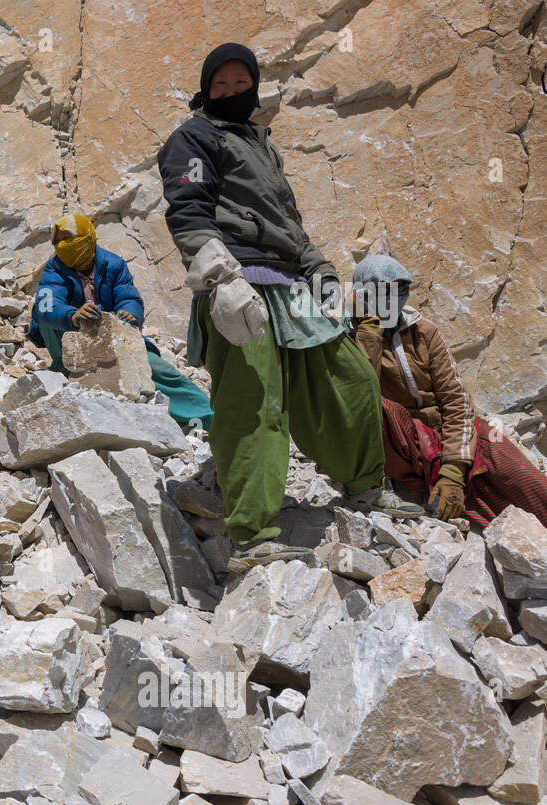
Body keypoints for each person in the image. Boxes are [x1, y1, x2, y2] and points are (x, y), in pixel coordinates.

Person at [156, 41, 424, 573]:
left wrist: (320, 267)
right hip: (239, 282)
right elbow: (186, 209)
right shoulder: (194, 137)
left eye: (240, 83)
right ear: (206, 90)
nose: (231, 91)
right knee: (255, 402)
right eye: (220, 84)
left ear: (253, 88)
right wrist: (218, 278)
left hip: (290, 283)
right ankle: (251, 534)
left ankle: (364, 485)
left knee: (349, 378)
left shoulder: (261, 145)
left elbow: (288, 222)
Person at [349, 254, 547, 528]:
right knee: (378, 407)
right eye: (384, 291)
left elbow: (456, 399)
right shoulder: (347, 338)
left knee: (512, 465)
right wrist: (369, 332)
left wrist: (454, 469)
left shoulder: (424, 331)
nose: (394, 297)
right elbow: (357, 396)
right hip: (399, 437)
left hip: (444, 430)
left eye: (401, 289)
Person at [27, 213, 214, 430]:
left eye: (67, 238)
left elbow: (129, 298)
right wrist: (72, 315)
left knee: (159, 371)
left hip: (114, 338)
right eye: (57, 241)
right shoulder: (54, 269)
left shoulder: (112, 264)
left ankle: (208, 416)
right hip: (70, 338)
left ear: (88, 237)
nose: (61, 245)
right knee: (44, 317)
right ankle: (66, 368)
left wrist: (129, 315)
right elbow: (46, 305)